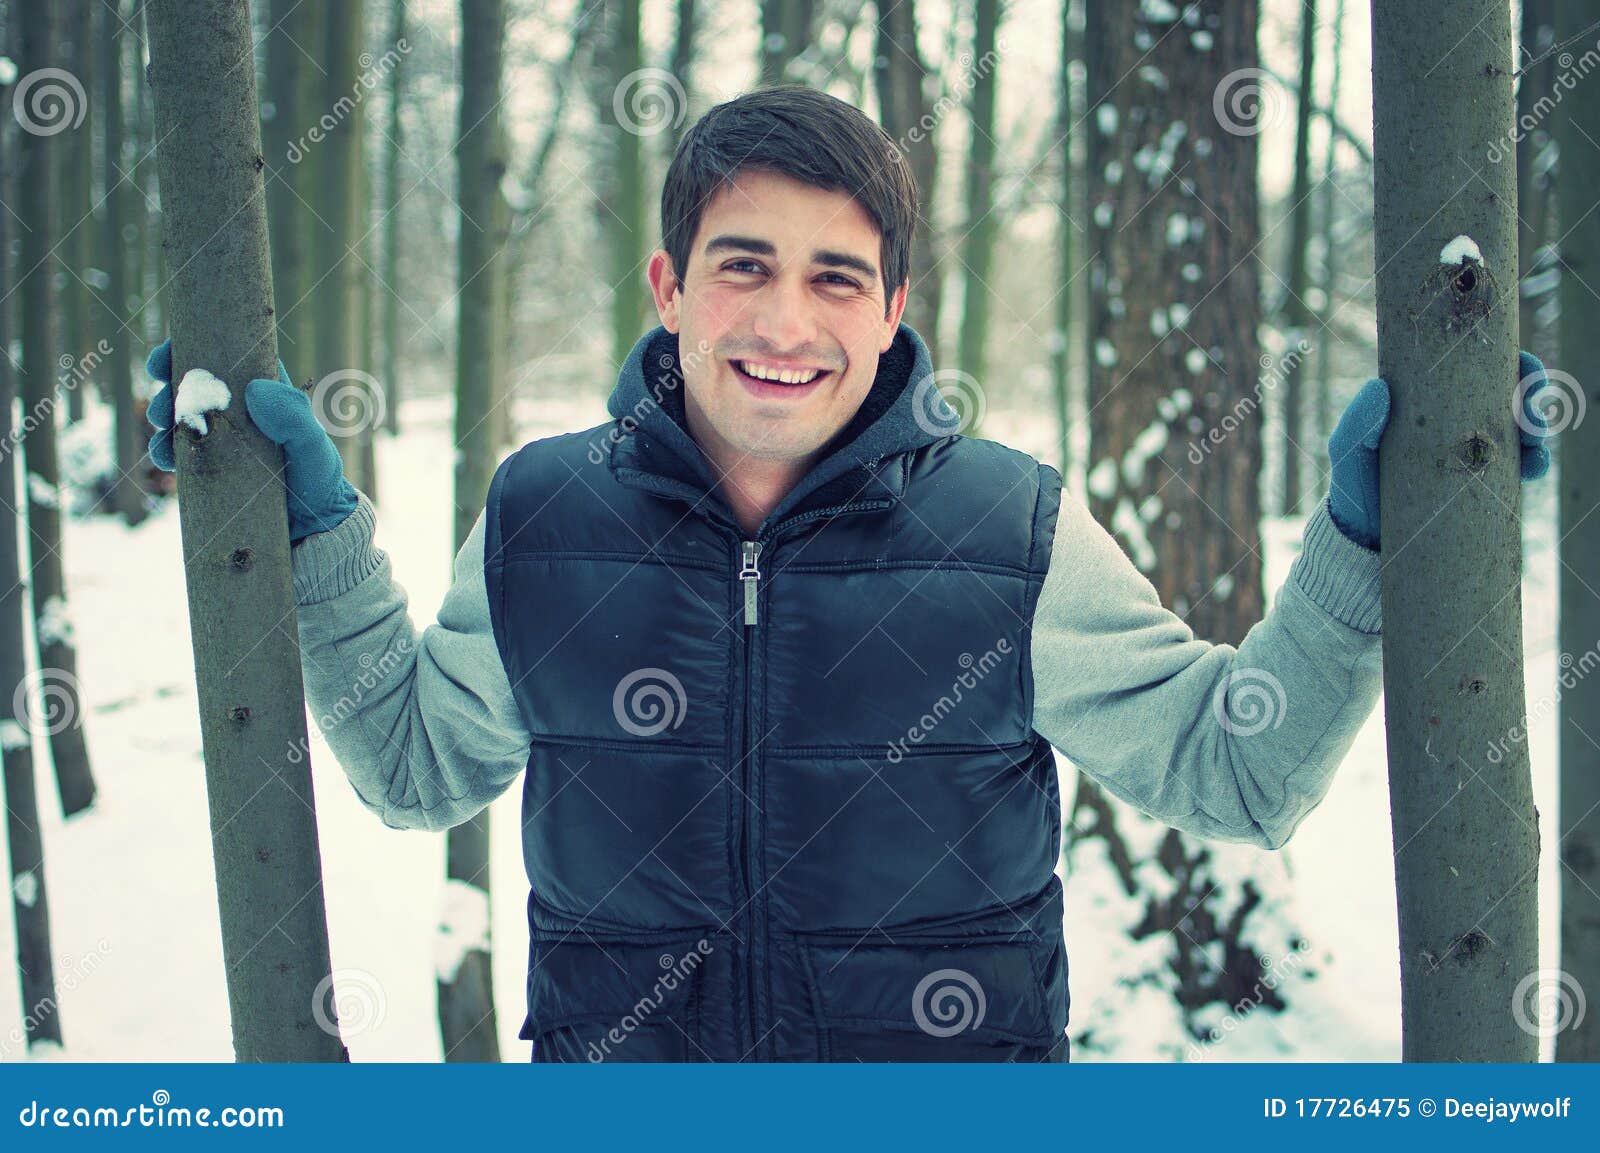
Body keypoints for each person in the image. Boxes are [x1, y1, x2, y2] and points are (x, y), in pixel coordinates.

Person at [144, 86, 1554, 1062]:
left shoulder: (1012, 534)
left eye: (836, 277)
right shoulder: (541, 516)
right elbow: (412, 765)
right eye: (743, 263)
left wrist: (1369, 548)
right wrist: (315, 543)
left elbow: (1235, 772)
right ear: (669, 286)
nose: (782, 318)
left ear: (891, 314)